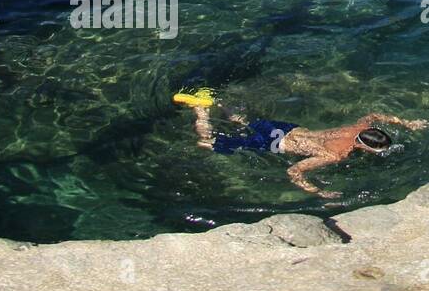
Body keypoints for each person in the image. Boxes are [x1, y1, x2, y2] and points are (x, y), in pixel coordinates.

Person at [178, 89, 424, 196]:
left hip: (286, 127)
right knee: (208, 143)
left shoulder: (361, 127)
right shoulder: (334, 156)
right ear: (366, 146)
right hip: (274, 143)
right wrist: (318, 191)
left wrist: (407, 123)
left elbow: (374, 114)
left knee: (243, 120)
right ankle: (201, 110)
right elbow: (293, 170)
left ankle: (214, 100)